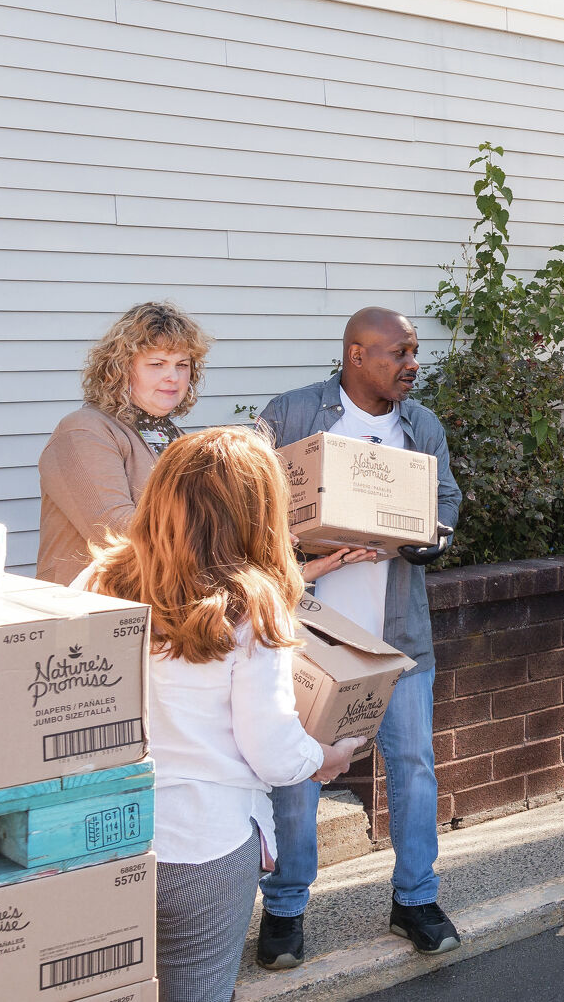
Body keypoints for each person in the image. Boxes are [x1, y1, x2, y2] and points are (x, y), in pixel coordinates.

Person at [82, 426, 362, 1002]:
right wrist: (325, 758)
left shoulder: (99, 580)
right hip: (203, 844)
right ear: (258, 512)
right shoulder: (253, 609)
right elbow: (274, 750)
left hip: (102, 838)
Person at [254, 308, 464, 969]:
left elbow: (447, 501)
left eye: (415, 352)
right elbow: (251, 505)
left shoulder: (420, 425)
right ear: (355, 354)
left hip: (396, 633)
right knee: (296, 775)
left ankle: (416, 898)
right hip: (307, 636)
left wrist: (425, 537)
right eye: (398, 352)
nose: (412, 364)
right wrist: (298, 541)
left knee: (412, 769)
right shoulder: (291, 415)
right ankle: (285, 909)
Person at [38, 301, 212, 583]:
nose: (173, 376)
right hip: (89, 612)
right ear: (120, 369)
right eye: (157, 364)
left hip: (164, 607)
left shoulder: (174, 437)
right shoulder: (84, 430)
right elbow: (116, 533)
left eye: (182, 365)